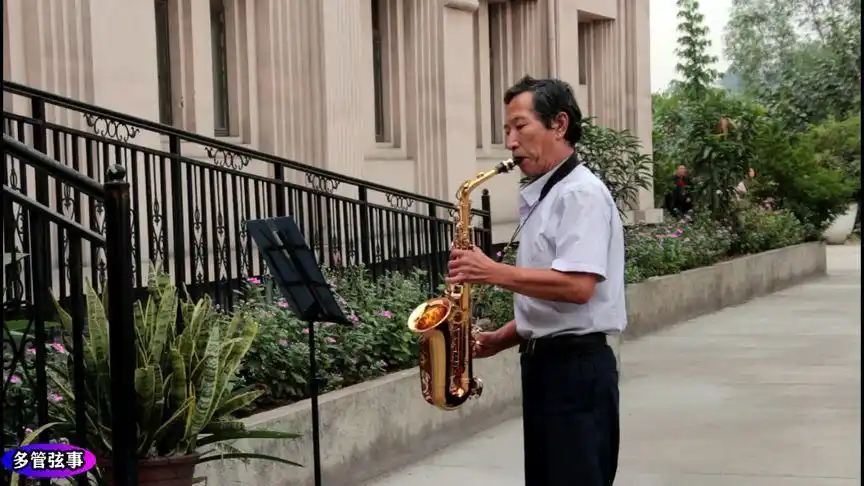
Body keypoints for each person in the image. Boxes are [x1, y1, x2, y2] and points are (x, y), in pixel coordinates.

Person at [446, 75, 626, 486]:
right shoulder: (550, 194)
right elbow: (552, 304)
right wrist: (503, 337)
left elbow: (578, 288)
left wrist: (491, 272)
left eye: (520, 126)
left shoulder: (579, 194)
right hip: (551, 366)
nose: (510, 142)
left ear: (558, 124)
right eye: (507, 130)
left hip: (575, 370)